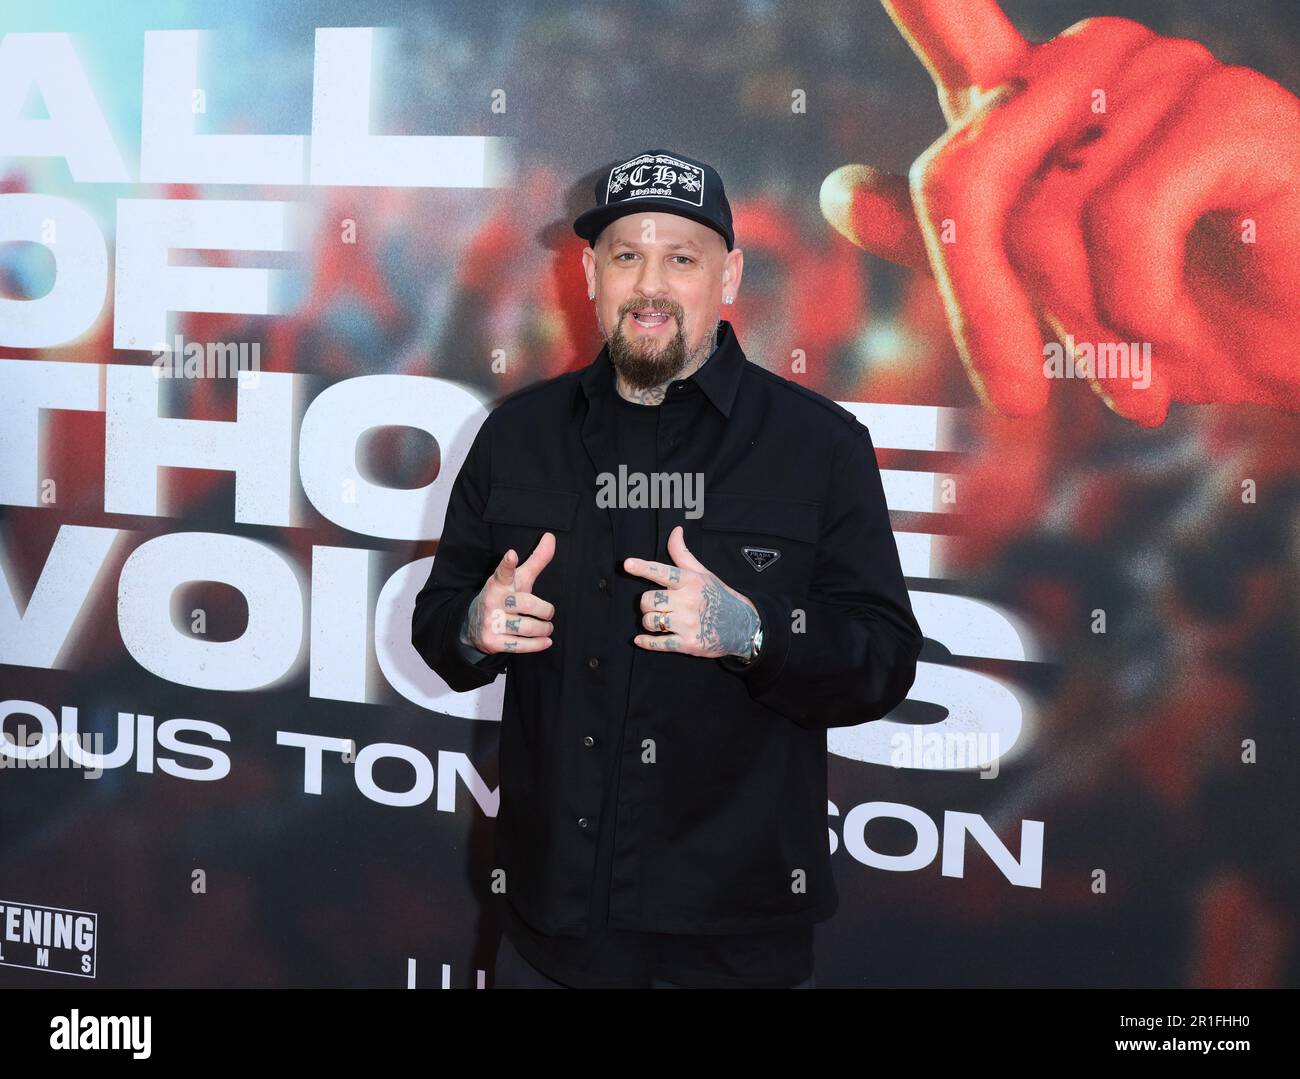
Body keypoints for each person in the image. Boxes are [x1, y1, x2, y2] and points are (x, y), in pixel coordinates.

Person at [412, 148, 923, 988]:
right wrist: (472, 625)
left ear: (729, 277)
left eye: (681, 258)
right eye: (627, 256)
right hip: (551, 930)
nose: (651, 285)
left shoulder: (821, 447)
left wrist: (754, 631)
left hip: (732, 944)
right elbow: (436, 631)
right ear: (590, 274)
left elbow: (884, 661)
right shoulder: (516, 435)